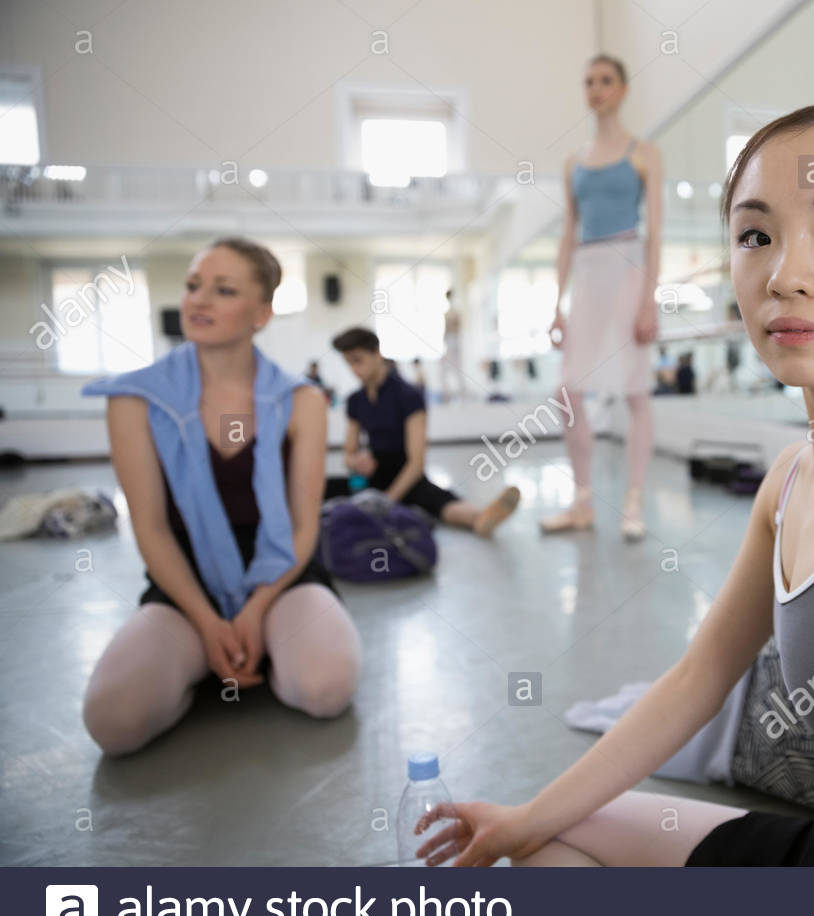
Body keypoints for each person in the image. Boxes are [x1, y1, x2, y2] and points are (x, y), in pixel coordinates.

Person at [408, 100, 814, 868]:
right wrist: (524, 817)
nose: (786, 276)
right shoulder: (794, 478)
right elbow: (698, 679)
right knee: (542, 843)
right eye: (756, 235)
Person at [80, 238, 361, 756]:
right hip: (185, 584)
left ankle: (266, 647)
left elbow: (304, 527)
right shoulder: (134, 399)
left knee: (326, 690)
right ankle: (206, 659)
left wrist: (255, 612)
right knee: (113, 723)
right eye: (193, 286)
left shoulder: (302, 400)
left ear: (262, 313)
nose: (198, 301)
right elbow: (150, 529)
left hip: (281, 576)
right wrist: (208, 623)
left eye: (223, 290)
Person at [540, 54, 663, 542]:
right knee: (567, 390)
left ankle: (633, 503)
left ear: (623, 88)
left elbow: (656, 232)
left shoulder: (644, 153)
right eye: (589, 81)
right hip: (587, 275)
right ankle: (583, 501)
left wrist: (649, 299)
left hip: (628, 266)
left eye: (606, 80)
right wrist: (556, 303)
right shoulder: (572, 162)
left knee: (635, 391)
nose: (596, 88)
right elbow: (567, 234)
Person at [326, 327, 519, 537]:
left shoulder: (408, 395)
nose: (354, 369)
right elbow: (347, 454)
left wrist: (387, 502)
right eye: (349, 363)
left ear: (377, 353)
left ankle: (479, 517)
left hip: (407, 477)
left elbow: (416, 463)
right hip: (372, 478)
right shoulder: (355, 401)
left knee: (435, 499)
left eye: (358, 360)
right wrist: (355, 462)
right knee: (325, 487)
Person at [441, 288, 465, 402]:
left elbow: (459, 328)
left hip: (454, 341)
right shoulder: (447, 313)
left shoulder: (455, 313)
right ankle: (447, 396)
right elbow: (445, 330)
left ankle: (461, 396)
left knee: (457, 368)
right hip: (449, 341)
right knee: (446, 369)